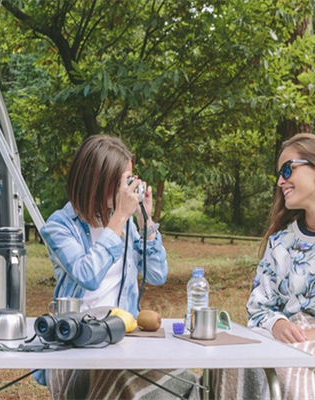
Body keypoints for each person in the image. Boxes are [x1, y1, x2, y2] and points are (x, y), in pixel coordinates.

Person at [214, 133, 315, 399]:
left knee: (287, 376)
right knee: (228, 360)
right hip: (283, 347)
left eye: (287, 169)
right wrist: (278, 323)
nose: (281, 181)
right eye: (279, 174)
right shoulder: (281, 243)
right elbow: (258, 308)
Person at [38, 135, 200, 400]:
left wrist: (145, 224)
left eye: (130, 179)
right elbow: (87, 275)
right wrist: (120, 218)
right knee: (138, 382)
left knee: (179, 380)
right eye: (123, 181)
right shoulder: (59, 226)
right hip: (75, 345)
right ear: (96, 183)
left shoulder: (125, 226)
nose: (129, 188)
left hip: (122, 341)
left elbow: (157, 275)